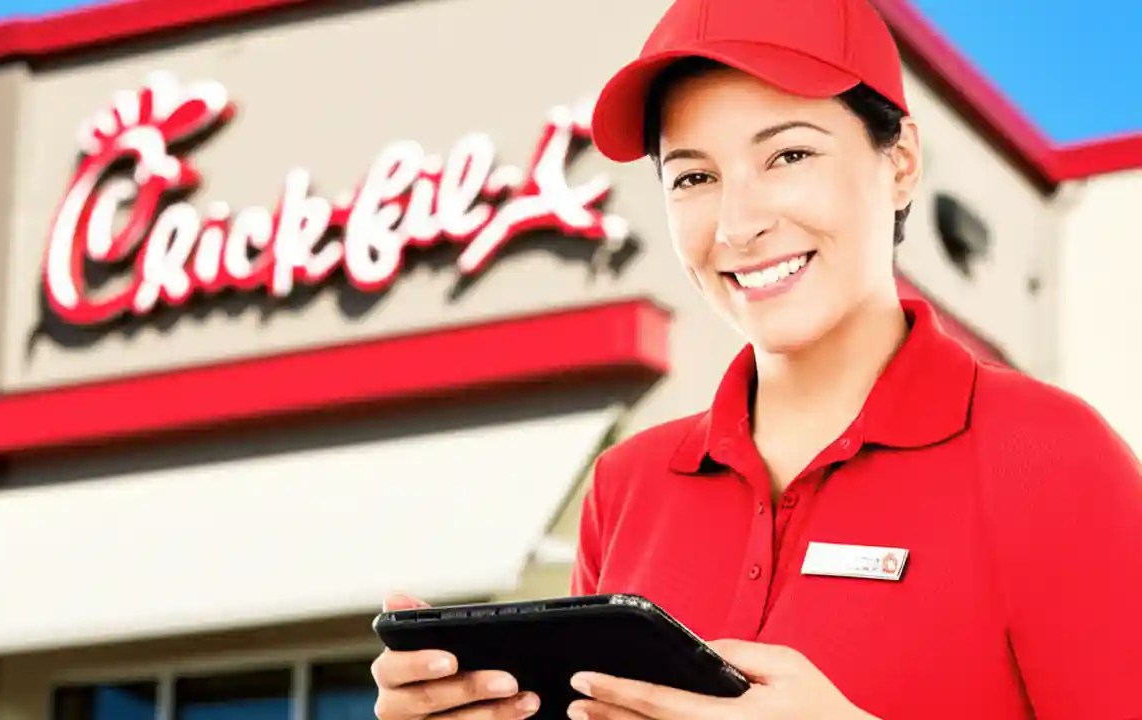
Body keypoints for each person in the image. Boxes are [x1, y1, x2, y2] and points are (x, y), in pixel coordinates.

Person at [371, 0, 1142, 718]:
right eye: (695, 177)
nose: (737, 225)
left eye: (788, 156)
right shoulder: (628, 487)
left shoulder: (1048, 457)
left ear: (900, 159)